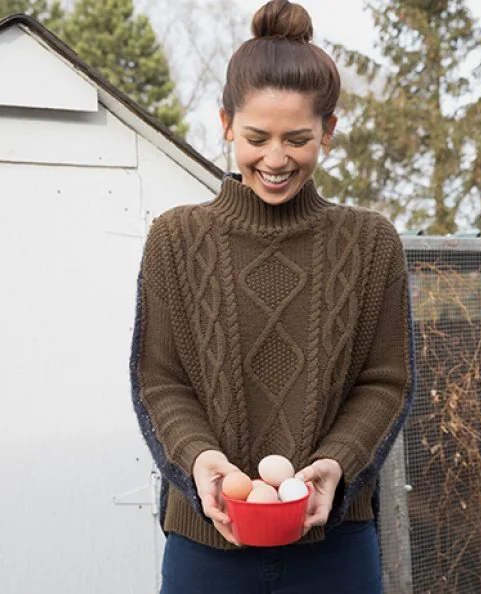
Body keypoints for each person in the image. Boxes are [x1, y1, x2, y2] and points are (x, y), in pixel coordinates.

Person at [129, 1, 414, 591]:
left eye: (298, 139)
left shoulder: (370, 243)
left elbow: (386, 381)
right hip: (205, 549)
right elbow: (160, 380)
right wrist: (200, 460)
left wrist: (336, 464)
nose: (276, 159)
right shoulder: (175, 238)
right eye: (256, 137)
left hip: (336, 548)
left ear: (328, 131)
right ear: (226, 123)